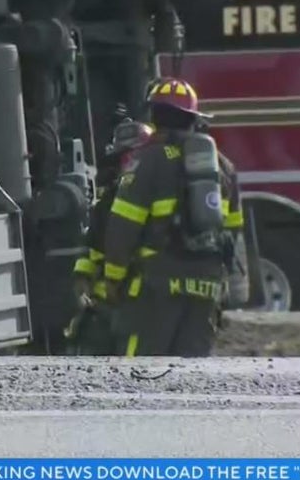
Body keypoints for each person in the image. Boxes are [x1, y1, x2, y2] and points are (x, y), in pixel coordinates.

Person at [101, 77, 244, 357]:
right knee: (191, 373)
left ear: (154, 116)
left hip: (156, 282)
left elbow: (123, 226)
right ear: (194, 118)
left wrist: (113, 278)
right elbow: (234, 230)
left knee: (141, 370)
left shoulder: (148, 160)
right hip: (206, 285)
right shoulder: (223, 166)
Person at [64, 118, 154, 355]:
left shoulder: (151, 195)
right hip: (110, 303)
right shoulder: (110, 198)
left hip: (139, 299)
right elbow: (94, 242)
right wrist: (82, 275)